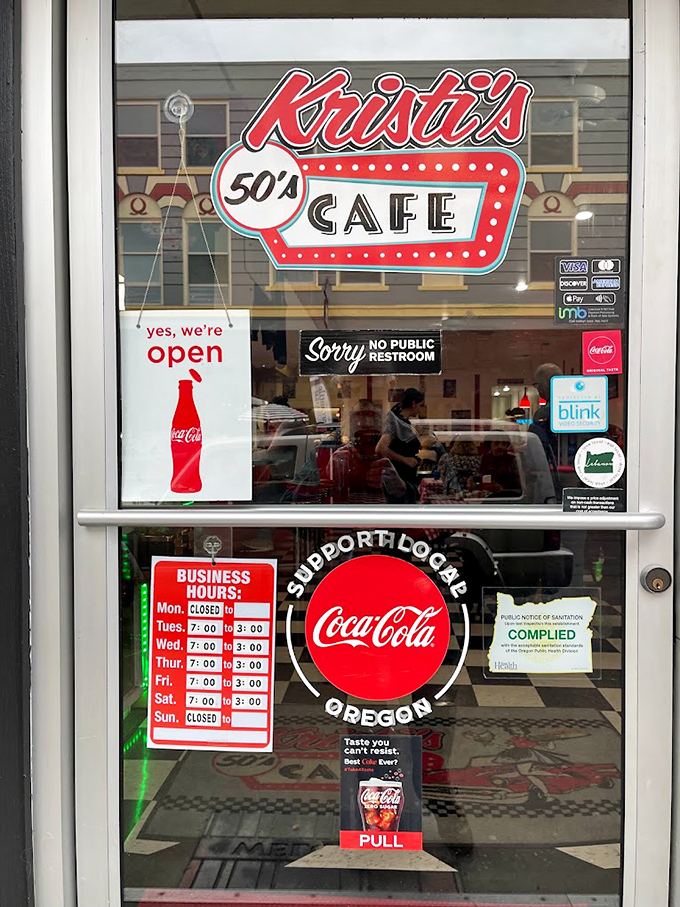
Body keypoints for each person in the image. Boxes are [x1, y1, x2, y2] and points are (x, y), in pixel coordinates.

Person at [376, 388, 425, 503]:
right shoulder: (394, 421)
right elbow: (380, 448)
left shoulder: (403, 421)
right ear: (413, 403)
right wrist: (405, 459)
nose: (420, 409)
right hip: (399, 482)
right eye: (420, 405)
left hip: (406, 481)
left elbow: (402, 447)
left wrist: (414, 459)